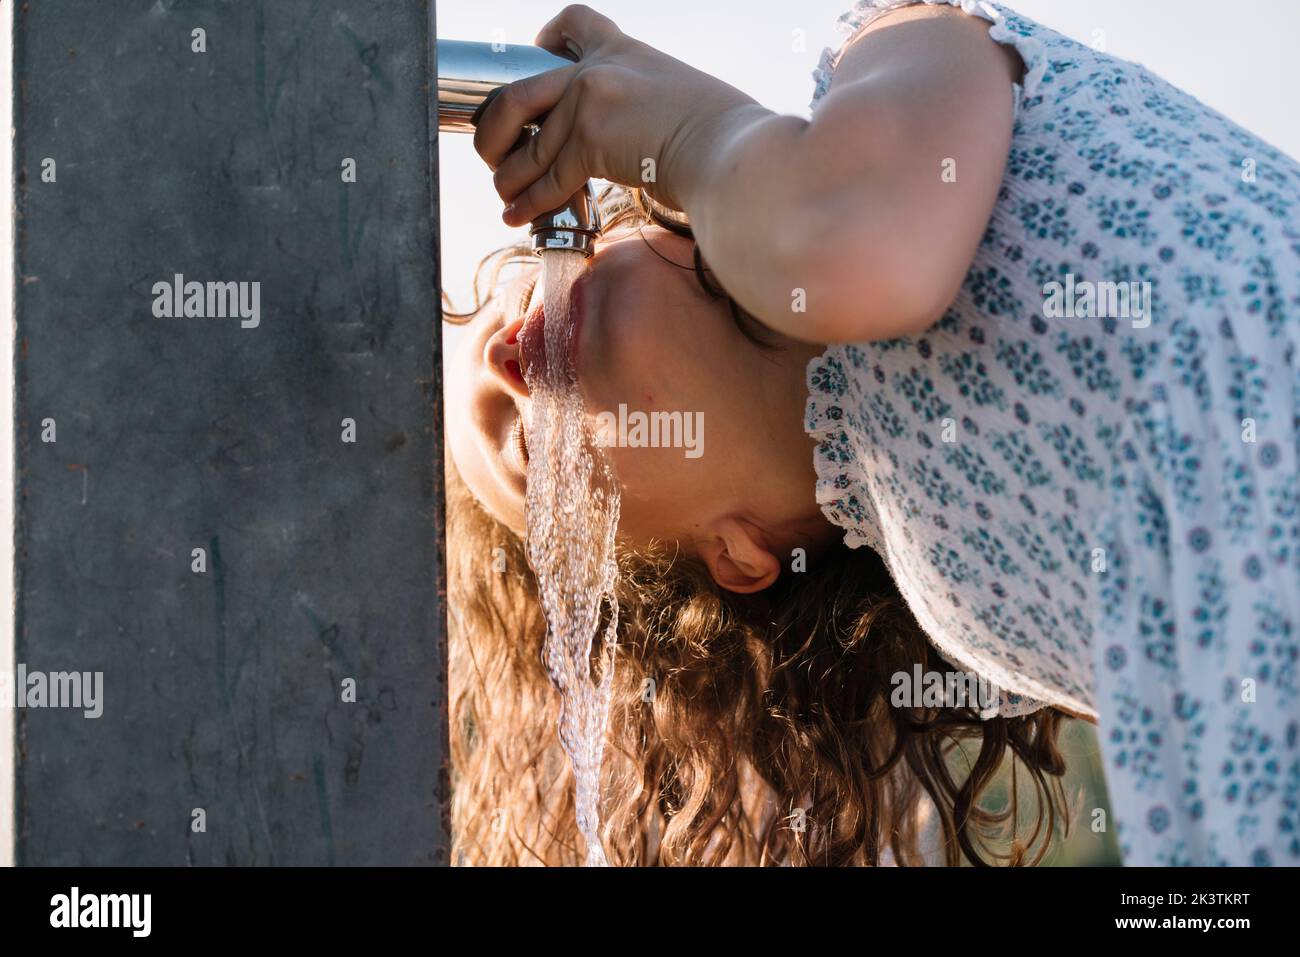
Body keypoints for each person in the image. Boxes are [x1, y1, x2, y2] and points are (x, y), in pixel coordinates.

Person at [446, 1, 1300, 866]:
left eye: (501, 300)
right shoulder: (958, 609)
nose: (509, 359)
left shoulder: (903, 48)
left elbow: (852, 240)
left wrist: (697, 136)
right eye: (529, 450)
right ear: (737, 553)